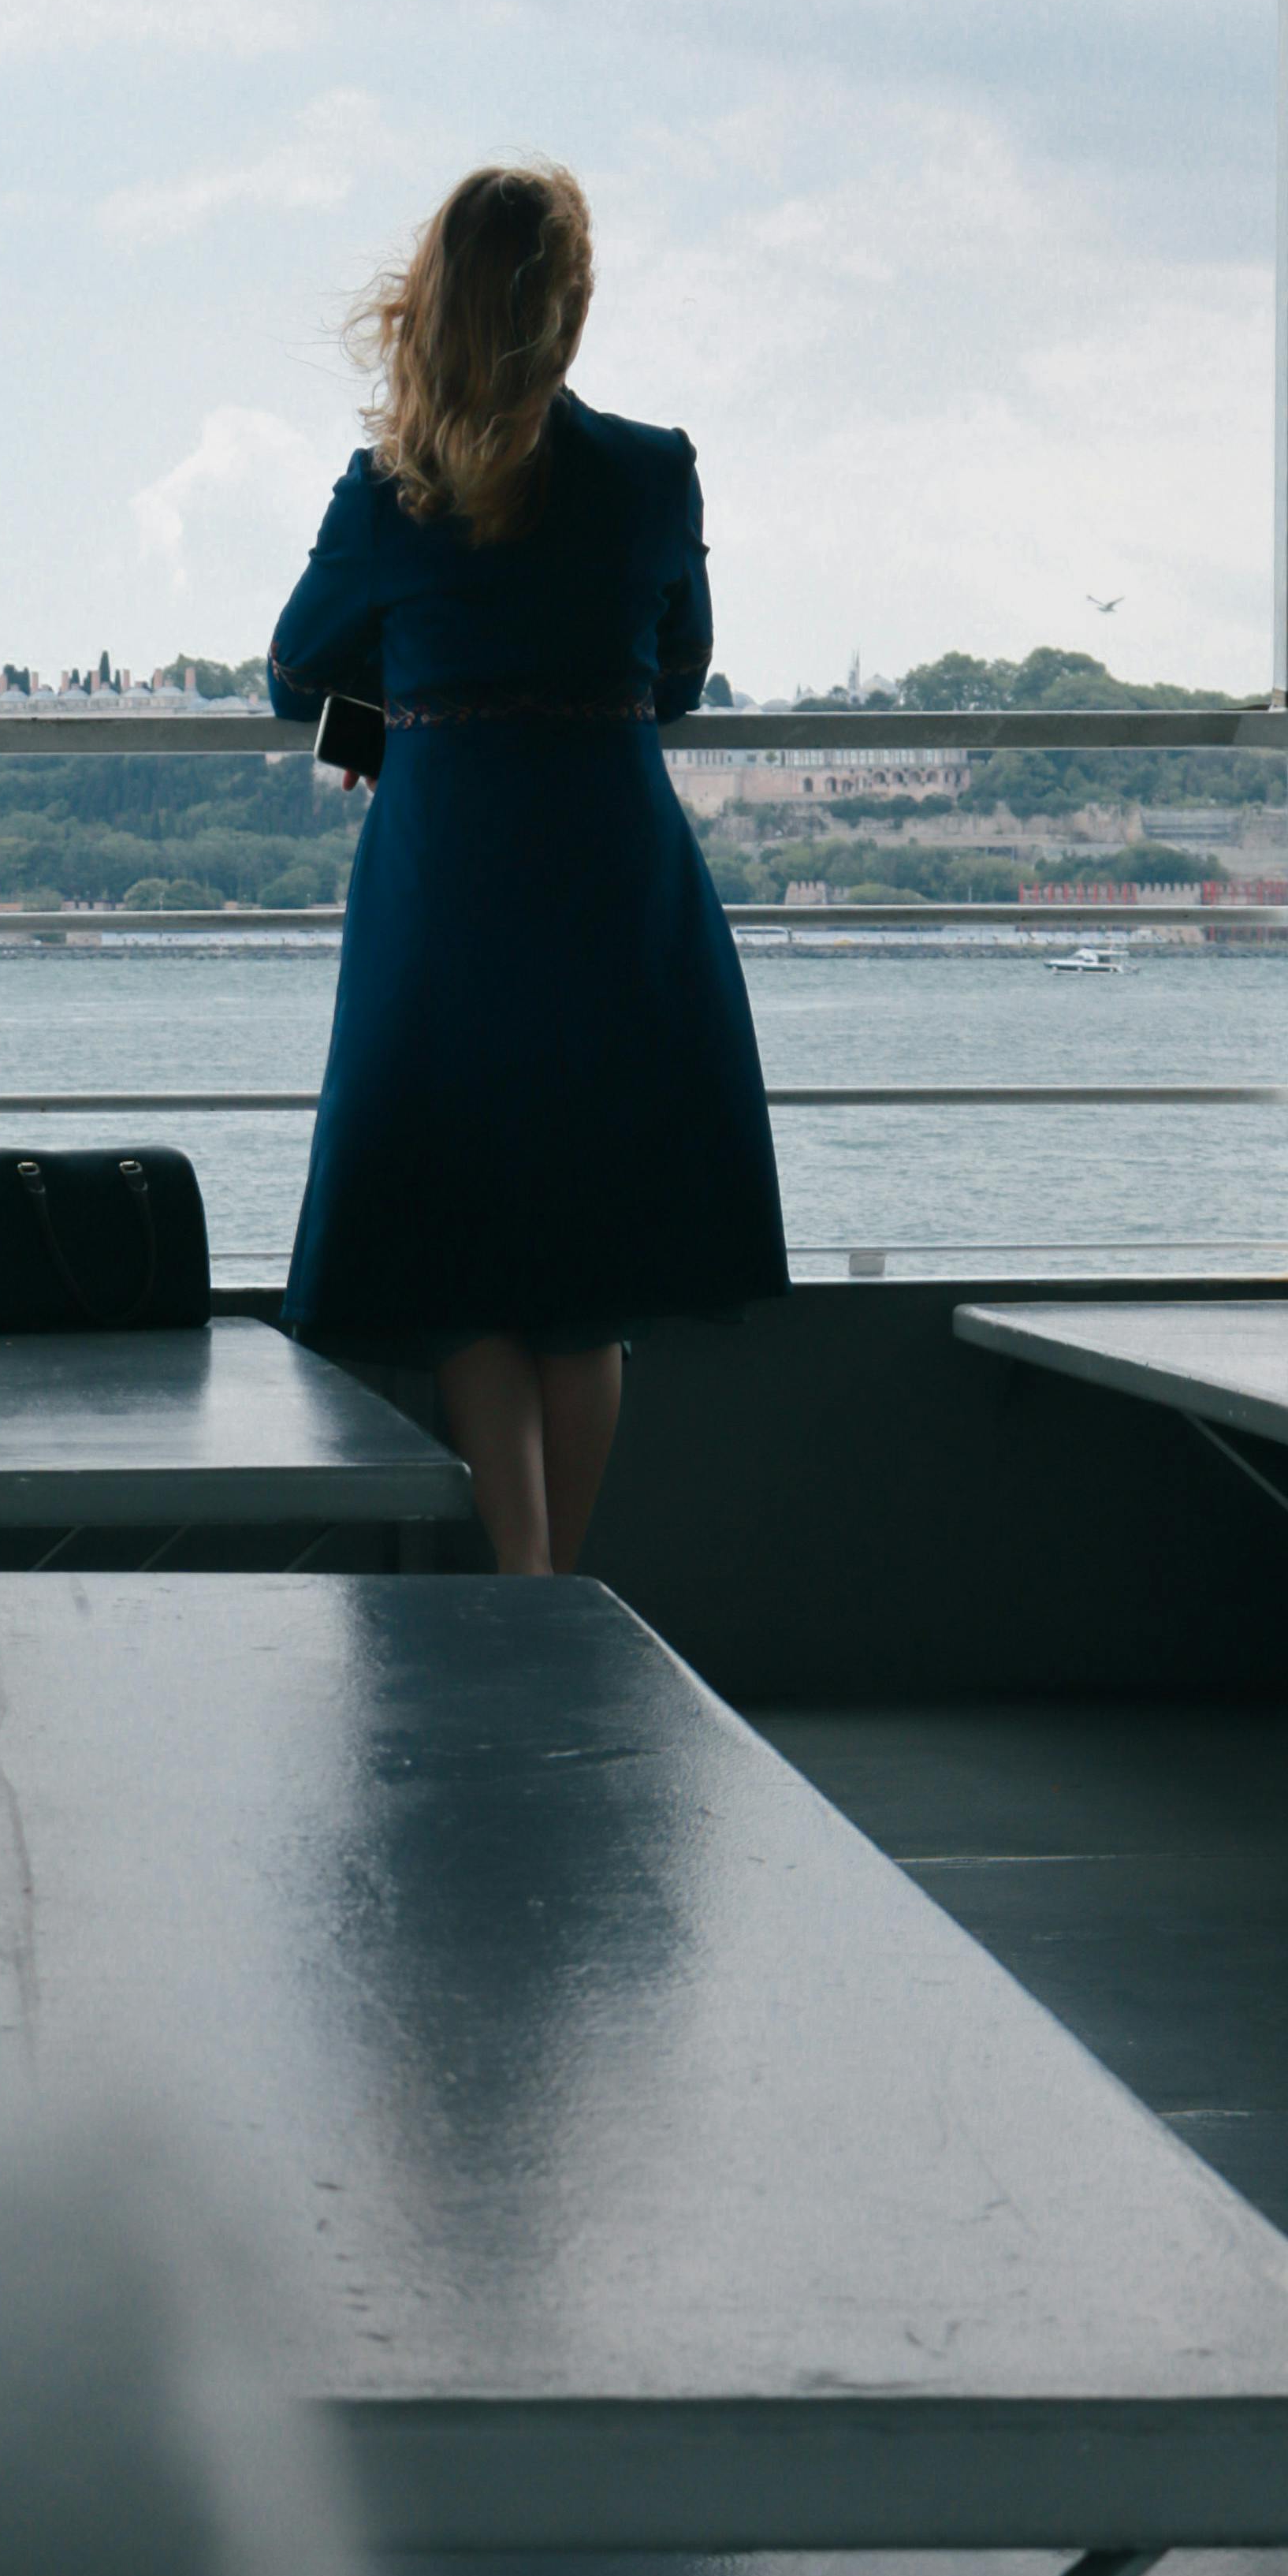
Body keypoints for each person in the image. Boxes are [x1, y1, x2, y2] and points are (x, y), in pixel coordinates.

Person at [266, 162, 788, 1576]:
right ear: (568, 306)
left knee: (463, 1253)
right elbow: (675, 675)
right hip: (609, 865)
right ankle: (565, 1584)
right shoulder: (649, 468)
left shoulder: (390, 489)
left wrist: (420, 698)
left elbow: (292, 672)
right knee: (581, 1265)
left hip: (445, 870)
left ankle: (522, 1569)